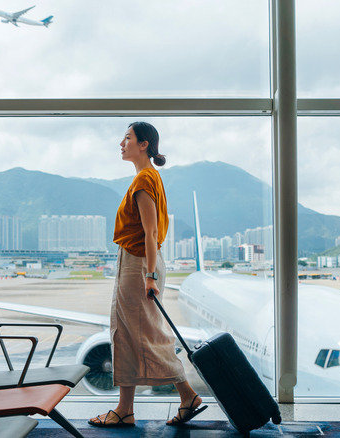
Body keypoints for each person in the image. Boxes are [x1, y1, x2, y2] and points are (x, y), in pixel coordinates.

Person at [89, 122, 207, 428]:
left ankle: (187, 395)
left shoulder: (144, 179)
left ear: (144, 144)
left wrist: (150, 275)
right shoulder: (148, 177)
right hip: (137, 262)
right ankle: (125, 408)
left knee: (146, 334)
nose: (121, 143)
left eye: (127, 138)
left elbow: (151, 232)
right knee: (125, 334)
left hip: (140, 264)